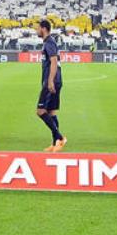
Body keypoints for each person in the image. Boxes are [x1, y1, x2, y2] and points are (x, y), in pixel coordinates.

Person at [35, 19, 66, 152]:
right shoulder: (49, 42)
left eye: (38, 28)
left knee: (40, 111)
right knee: (52, 112)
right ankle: (55, 144)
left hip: (51, 81)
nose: (36, 31)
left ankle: (59, 137)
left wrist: (50, 81)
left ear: (44, 28)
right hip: (55, 80)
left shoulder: (49, 42)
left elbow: (54, 61)